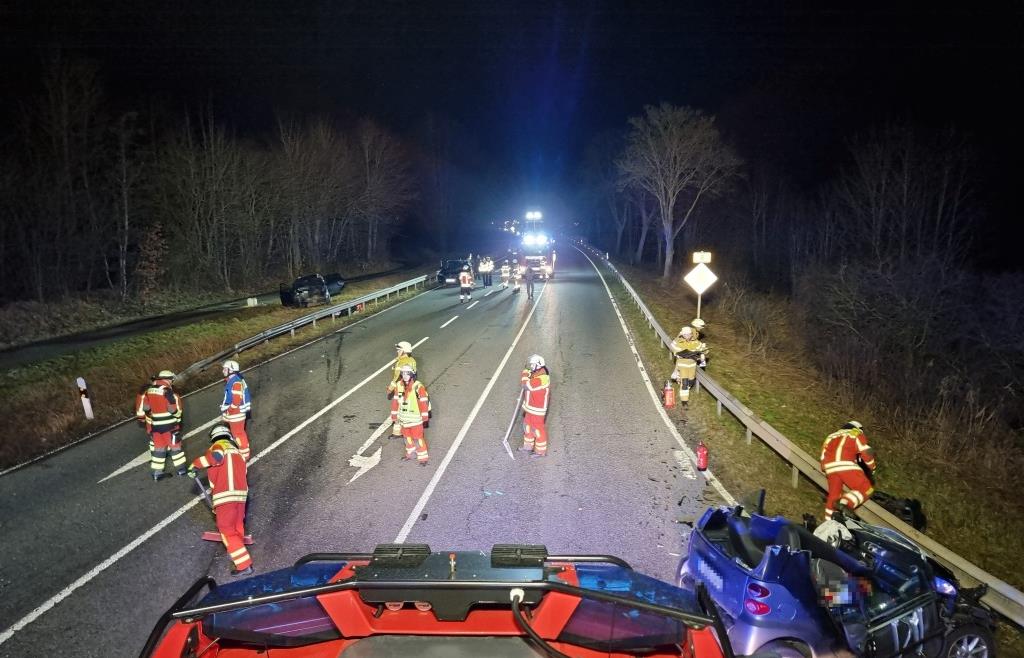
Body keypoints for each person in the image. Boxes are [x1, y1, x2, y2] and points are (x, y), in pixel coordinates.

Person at [188, 425, 253, 575]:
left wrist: (195, 465)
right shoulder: (237, 452)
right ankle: (238, 550)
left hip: (225, 495)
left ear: (214, 438)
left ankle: (244, 565)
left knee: (226, 530)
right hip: (241, 496)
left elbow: (216, 457)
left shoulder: (218, 446)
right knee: (237, 526)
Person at [820, 421, 877, 522]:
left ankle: (828, 523)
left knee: (834, 495)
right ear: (858, 428)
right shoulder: (856, 433)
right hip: (846, 465)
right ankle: (845, 503)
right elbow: (866, 451)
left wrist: (826, 468)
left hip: (830, 468)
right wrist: (872, 467)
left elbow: (823, 454)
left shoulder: (831, 436)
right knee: (867, 488)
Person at [136, 370, 186, 481]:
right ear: (169, 379)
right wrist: (177, 419)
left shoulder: (149, 391)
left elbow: (146, 408)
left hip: (155, 427)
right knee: (176, 449)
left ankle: (156, 474)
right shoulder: (168, 392)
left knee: (159, 451)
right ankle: (181, 470)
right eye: (172, 380)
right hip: (170, 426)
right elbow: (173, 409)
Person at [390, 364, 431, 465]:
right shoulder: (399, 386)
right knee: (406, 438)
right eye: (403, 373)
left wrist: (425, 417)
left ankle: (423, 458)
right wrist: (394, 415)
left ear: (412, 374)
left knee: (418, 439)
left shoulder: (418, 386)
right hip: (403, 419)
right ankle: (410, 453)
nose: (405, 376)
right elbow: (395, 401)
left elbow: (424, 402)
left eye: (407, 373)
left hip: (416, 420)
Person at [519, 354, 551, 457]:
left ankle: (540, 451)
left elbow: (526, 385)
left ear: (538, 365)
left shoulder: (543, 378)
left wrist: (524, 373)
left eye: (532, 365)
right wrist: (528, 374)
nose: (530, 367)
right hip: (530, 408)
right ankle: (528, 447)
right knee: (527, 427)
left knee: (537, 429)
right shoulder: (536, 374)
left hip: (537, 410)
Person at [220, 360, 251, 461]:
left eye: (225, 369)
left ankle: (244, 455)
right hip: (236, 412)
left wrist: (230, 409)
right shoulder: (235, 379)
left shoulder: (235, 381)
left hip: (236, 413)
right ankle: (242, 451)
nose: (223, 370)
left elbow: (236, 400)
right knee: (237, 433)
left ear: (231, 370)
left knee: (238, 434)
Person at [387, 341, 418, 438]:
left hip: (401, 388)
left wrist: (390, 388)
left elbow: (396, 377)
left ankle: (398, 432)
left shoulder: (402, 362)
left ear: (404, 351)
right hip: (409, 386)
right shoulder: (411, 360)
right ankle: (402, 428)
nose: (397, 351)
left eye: (399, 350)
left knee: (397, 408)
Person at [669, 326, 708, 403]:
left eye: (689, 334)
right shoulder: (678, 341)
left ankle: (682, 384)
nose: (687, 336)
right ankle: (684, 401)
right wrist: (678, 352)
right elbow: (672, 347)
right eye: (685, 335)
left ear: (691, 334)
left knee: (691, 381)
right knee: (685, 383)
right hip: (682, 364)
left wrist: (703, 353)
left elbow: (703, 350)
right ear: (682, 334)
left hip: (692, 366)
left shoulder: (696, 342)